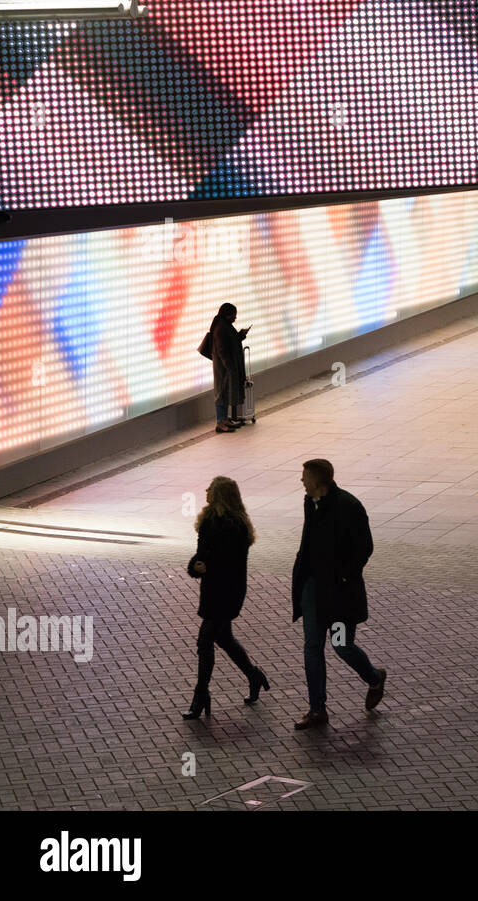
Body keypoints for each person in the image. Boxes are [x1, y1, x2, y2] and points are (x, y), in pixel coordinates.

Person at [291, 459, 385, 730]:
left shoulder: (348, 506)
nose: (301, 481)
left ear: (319, 481)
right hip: (313, 592)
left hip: (340, 595)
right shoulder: (311, 503)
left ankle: (374, 677)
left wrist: (345, 575)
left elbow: (364, 547)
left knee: (342, 645)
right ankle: (317, 709)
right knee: (312, 647)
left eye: (304, 477)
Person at [183, 476, 268, 719]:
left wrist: (206, 566)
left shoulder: (235, 526)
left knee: (205, 641)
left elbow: (232, 562)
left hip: (228, 591)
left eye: (211, 488)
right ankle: (254, 676)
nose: (206, 490)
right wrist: (196, 565)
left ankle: (201, 694)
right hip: (212, 589)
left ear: (221, 494)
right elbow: (202, 553)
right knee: (224, 638)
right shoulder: (208, 520)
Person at [209, 303, 249, 433]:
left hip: (227, 366)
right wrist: (229, 367)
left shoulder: (225, 325)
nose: (235, 318)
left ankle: (224, 418)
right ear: (227, 314)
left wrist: (241, 335)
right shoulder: (220, 328)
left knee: (225, 393)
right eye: (233, 315)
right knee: (221, 393)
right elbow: (222, 350)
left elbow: (231, 342)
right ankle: (220, 422)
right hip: (224, 368)